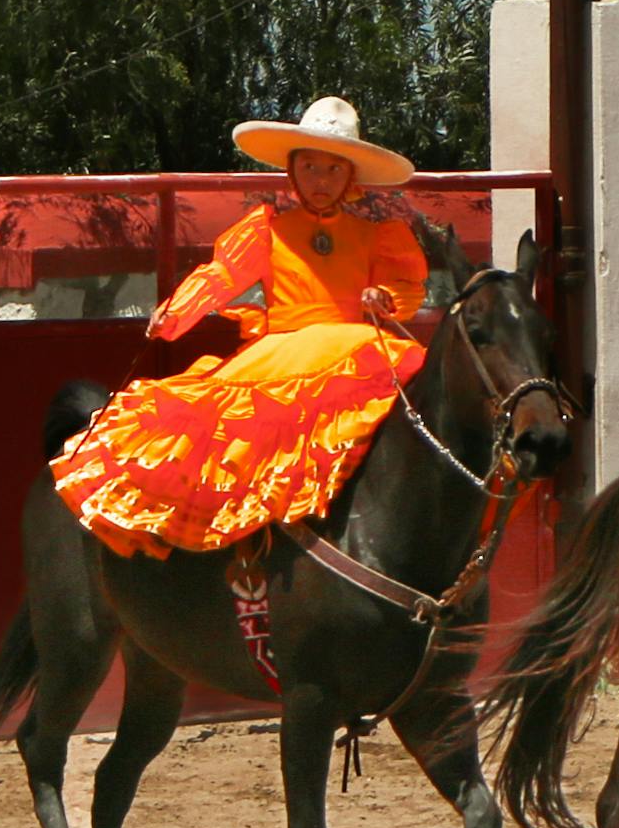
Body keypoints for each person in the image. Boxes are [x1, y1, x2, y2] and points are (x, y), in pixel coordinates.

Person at [51, 96, 429, 556]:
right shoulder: (267, 229)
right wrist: (177, 311)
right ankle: (252, 557)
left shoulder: (378, 235)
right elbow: (223, 274)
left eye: (333, 169)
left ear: (351, 175)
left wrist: (385, 298)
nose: (321, 181)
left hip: (356, 354)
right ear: (293, 170)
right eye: (310, 167)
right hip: (284, 356)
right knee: (238, 450)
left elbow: (405, 284)